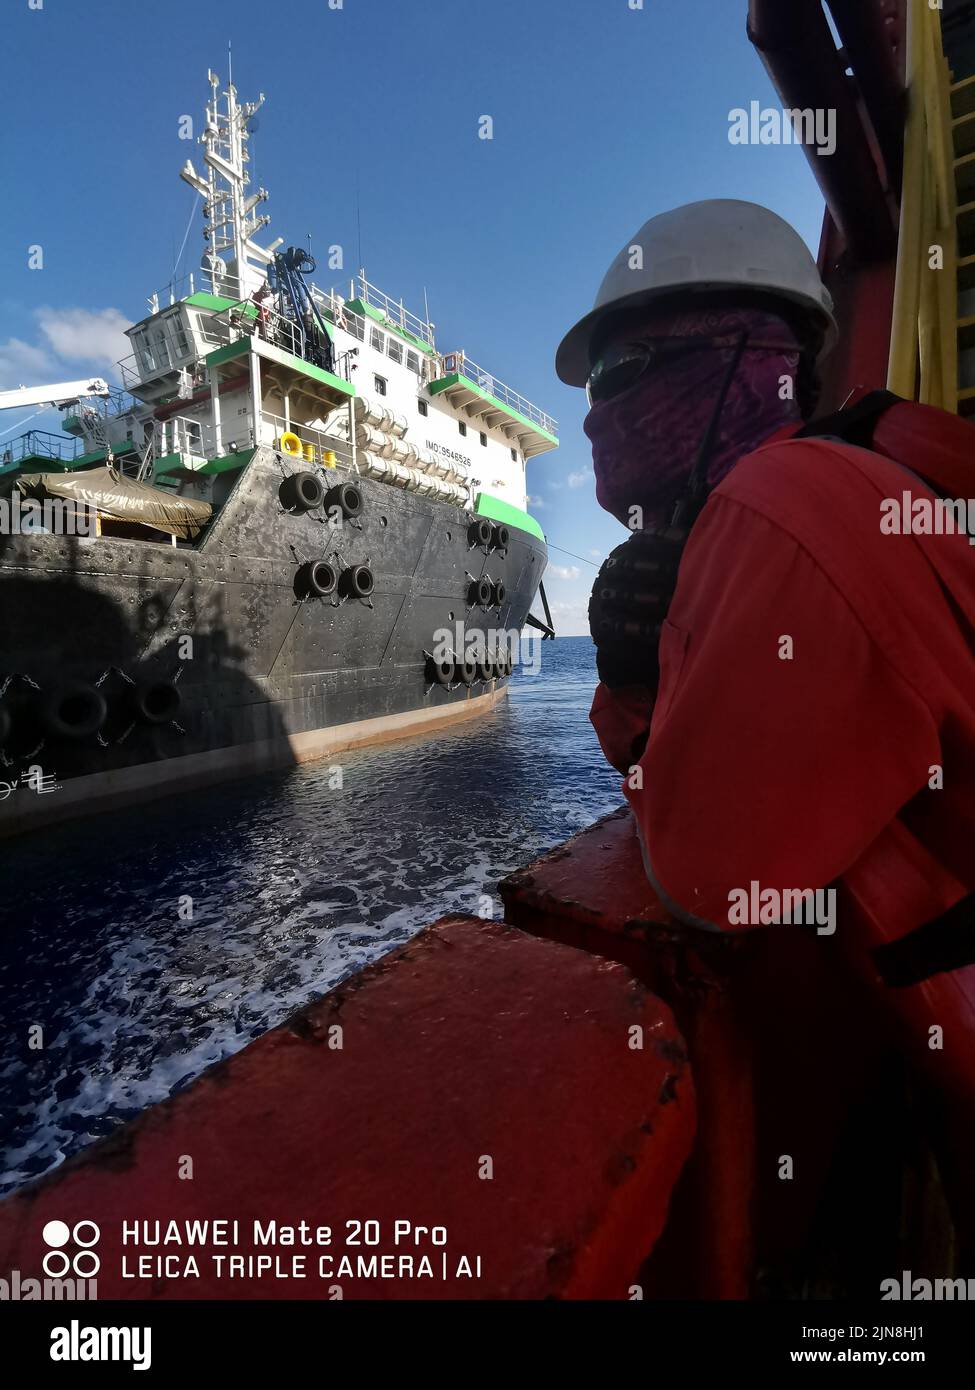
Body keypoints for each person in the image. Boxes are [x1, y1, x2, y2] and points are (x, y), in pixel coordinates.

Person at [557, 198, 975, 1246]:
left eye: (617, 379)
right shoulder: (856, 470)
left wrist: (635, 682)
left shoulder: (771, 515)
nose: (596, 424)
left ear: (735, 355)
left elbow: (707, 881)